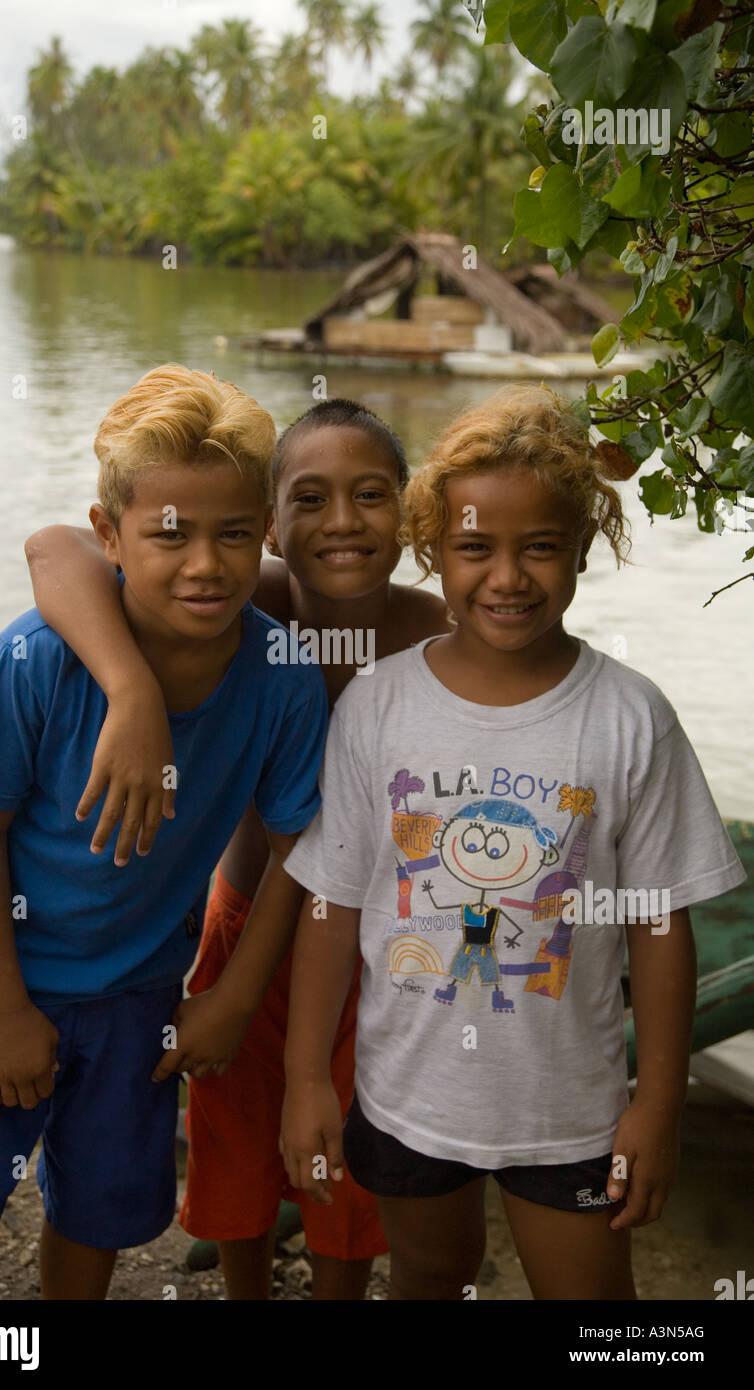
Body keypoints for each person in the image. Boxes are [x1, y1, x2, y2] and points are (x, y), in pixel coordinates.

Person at [279, 384, 747, 1301]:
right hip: (405, 1094)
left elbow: (659, 925)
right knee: (433, 1272)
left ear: (584, 547)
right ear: (432, 549)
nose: (507, 577)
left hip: (567, 1108)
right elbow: (331, 911)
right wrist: (308, 1083)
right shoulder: (379, 704)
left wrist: (658, 1103)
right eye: (474, 548)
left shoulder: (629, 716)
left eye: (541, 547)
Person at [0, 364, 327, 1301]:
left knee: (101, 1206)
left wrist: (235, 997)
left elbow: (301, 846)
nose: (205, 562)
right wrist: (5, 1013)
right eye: (169, 533)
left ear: (269, 536)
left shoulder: (281, 675)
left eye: (234, 534)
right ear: (110, 535)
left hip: (139, 990)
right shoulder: (39, 661)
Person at [23, 397, 451, 1300]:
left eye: (370, 494)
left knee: (351, 1150)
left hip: (383, 943)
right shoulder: (242, 599)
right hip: (248, 922)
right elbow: (56, 549)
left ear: (409, 516)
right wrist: (130, 689)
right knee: (235, 1138)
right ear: (271, 525)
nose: (340, 521)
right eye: (309, 498)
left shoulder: (434, 634)